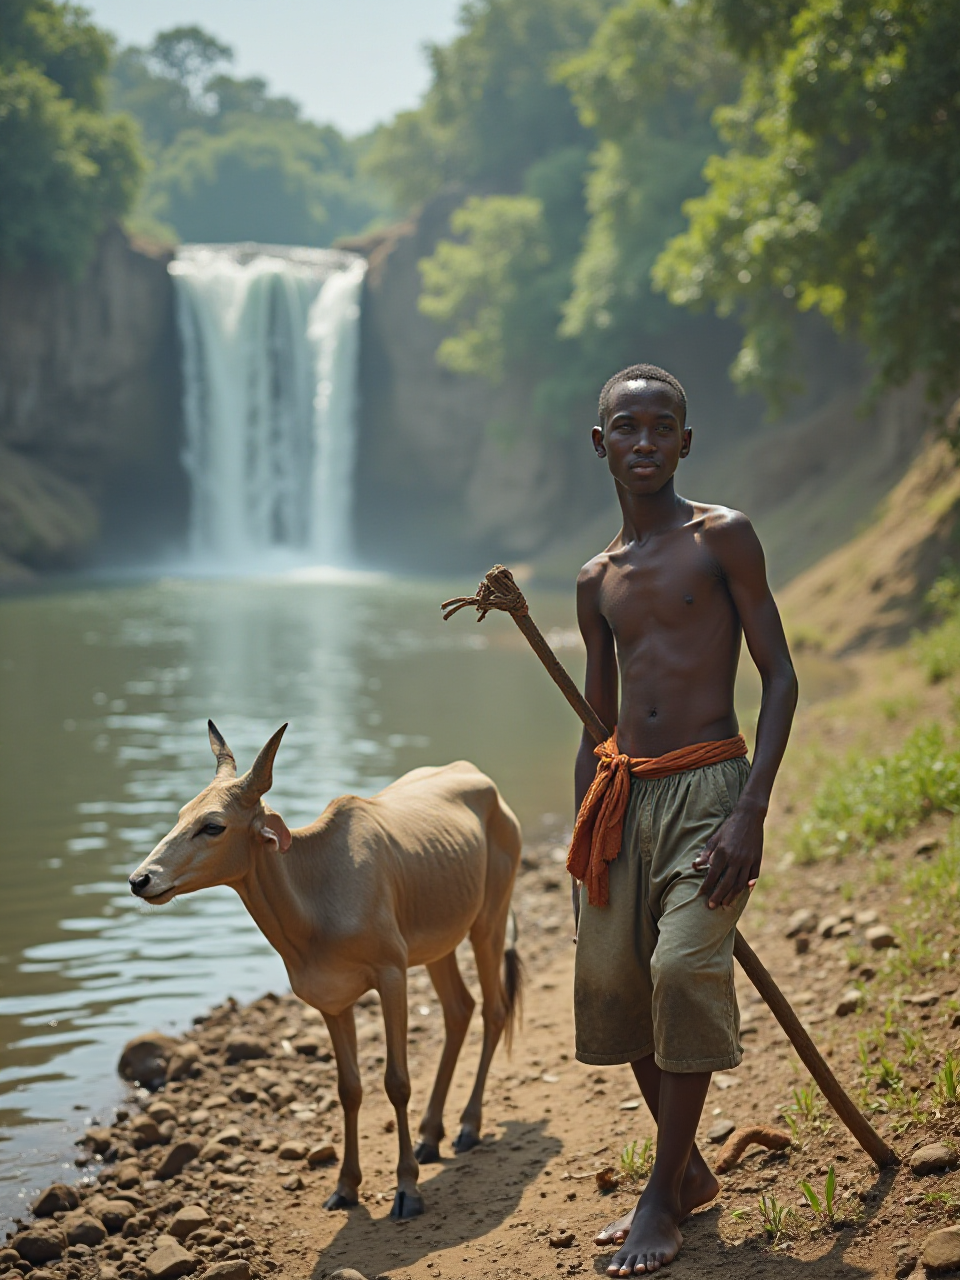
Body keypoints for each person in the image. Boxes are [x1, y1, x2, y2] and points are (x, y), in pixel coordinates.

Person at [568, 363, 798, 1275]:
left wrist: (751, 809)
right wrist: (582, 837)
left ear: (685, 442)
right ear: (602, 445)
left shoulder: (723, 538)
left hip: (711, 789)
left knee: (679, 966)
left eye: (662, 428)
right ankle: (691, 1170)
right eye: (627, 428)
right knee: (620, 984)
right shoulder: (596, 582)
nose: (645, 443)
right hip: (625, 799)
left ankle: (658, 1197)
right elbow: (597, 720)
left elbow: (780, 676)